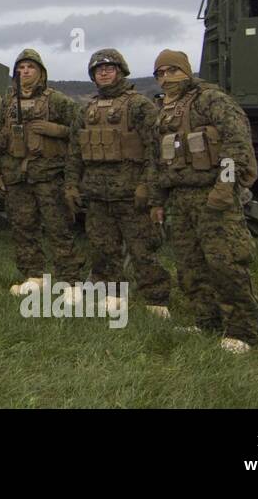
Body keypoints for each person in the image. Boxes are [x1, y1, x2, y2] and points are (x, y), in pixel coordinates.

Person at [150, 49, 258, 354]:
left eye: (172, 71)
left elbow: (237, 143)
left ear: (186, 71)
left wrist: (225, 187)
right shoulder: (164, 111)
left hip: (213, 195)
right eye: (160, 73)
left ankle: (242, 330)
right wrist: (156, 200)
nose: (166, 78)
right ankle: (207, 320)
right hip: (180, 198)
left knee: (225, 261)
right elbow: (158, 160)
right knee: (190, 264)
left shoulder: (212, 100)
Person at [64, 49, 172, 316]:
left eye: (109, 68)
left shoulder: (139, 106)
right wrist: (71, 185)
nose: (104, 72)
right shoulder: (87, 110)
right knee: (103, 247)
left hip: (131, 193)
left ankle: (156, 299)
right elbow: (75, 152)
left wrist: (148, 186)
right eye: (98, 70)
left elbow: (154, 150)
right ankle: (108, 293)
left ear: (121, 71)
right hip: (97, 194)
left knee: (142, 249)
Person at [0, 48, 87, 296]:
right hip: (16, 177)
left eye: (30, 67)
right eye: (20, 68)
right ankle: (33, 276)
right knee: (23, 227)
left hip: (49, 175)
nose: (25, 72)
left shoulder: (56, 100)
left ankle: (70, 281)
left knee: (58, 228)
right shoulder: (7, 103)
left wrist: (55, 130)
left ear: (41, 72)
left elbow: (81, 128)